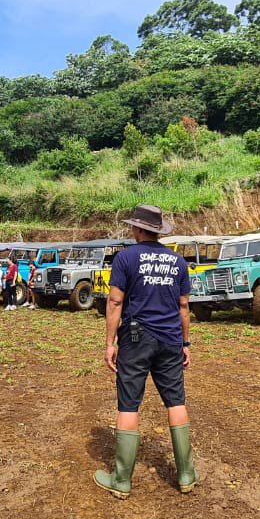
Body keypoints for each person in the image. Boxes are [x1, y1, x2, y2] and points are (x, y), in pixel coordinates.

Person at [94, 205, 197, 499]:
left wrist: (110, 343)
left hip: (136, 339)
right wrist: (185, 344)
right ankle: (186, 474)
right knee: (176, 402)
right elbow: (184, 307)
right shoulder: (177, 261)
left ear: (139, 229)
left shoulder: (126, 258)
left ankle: (122, 480)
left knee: (129, 404)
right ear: (158, 230)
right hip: (170, 341)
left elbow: (115, 303)